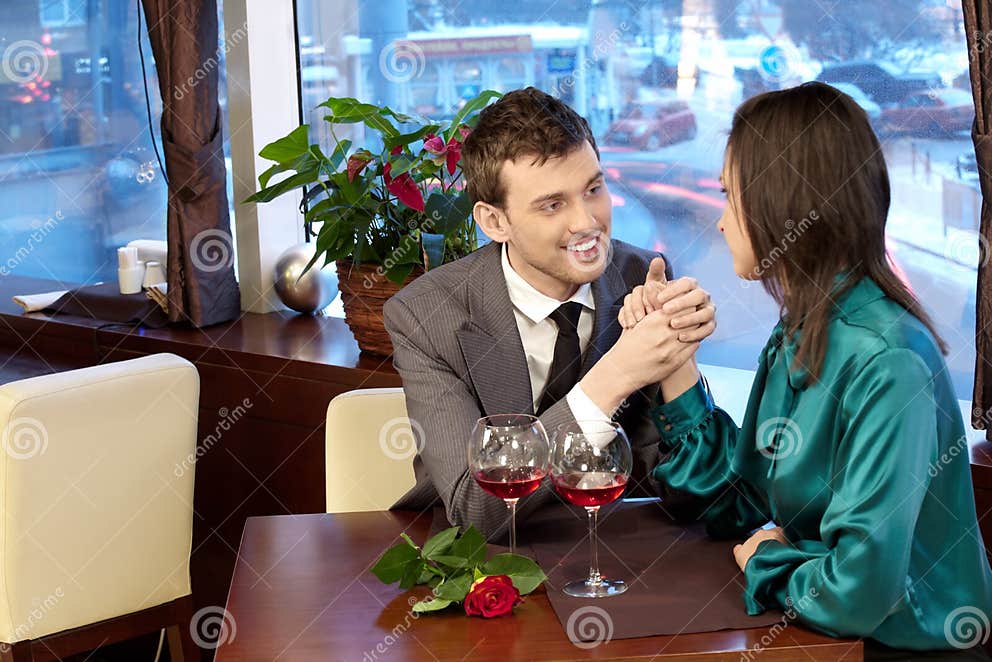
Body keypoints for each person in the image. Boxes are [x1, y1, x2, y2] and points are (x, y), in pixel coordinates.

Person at [621, 81, 992, 655]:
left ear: (781, 203)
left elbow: (857, 593)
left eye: (729, 196)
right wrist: (674, 359)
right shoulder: (806, 324)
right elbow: (745, 503)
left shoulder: (887, 359)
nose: (720, 222)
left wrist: (768, 557)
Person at [383, 87, 716, 539]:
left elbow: (692, 492)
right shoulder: (425, 314)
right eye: (553, 205)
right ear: (494, 222)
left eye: (594, 189)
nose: (587, 222)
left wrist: (681, 363)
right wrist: (617, 374)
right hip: (479, 562)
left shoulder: (641, 276)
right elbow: (477, 512)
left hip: (613, 547)